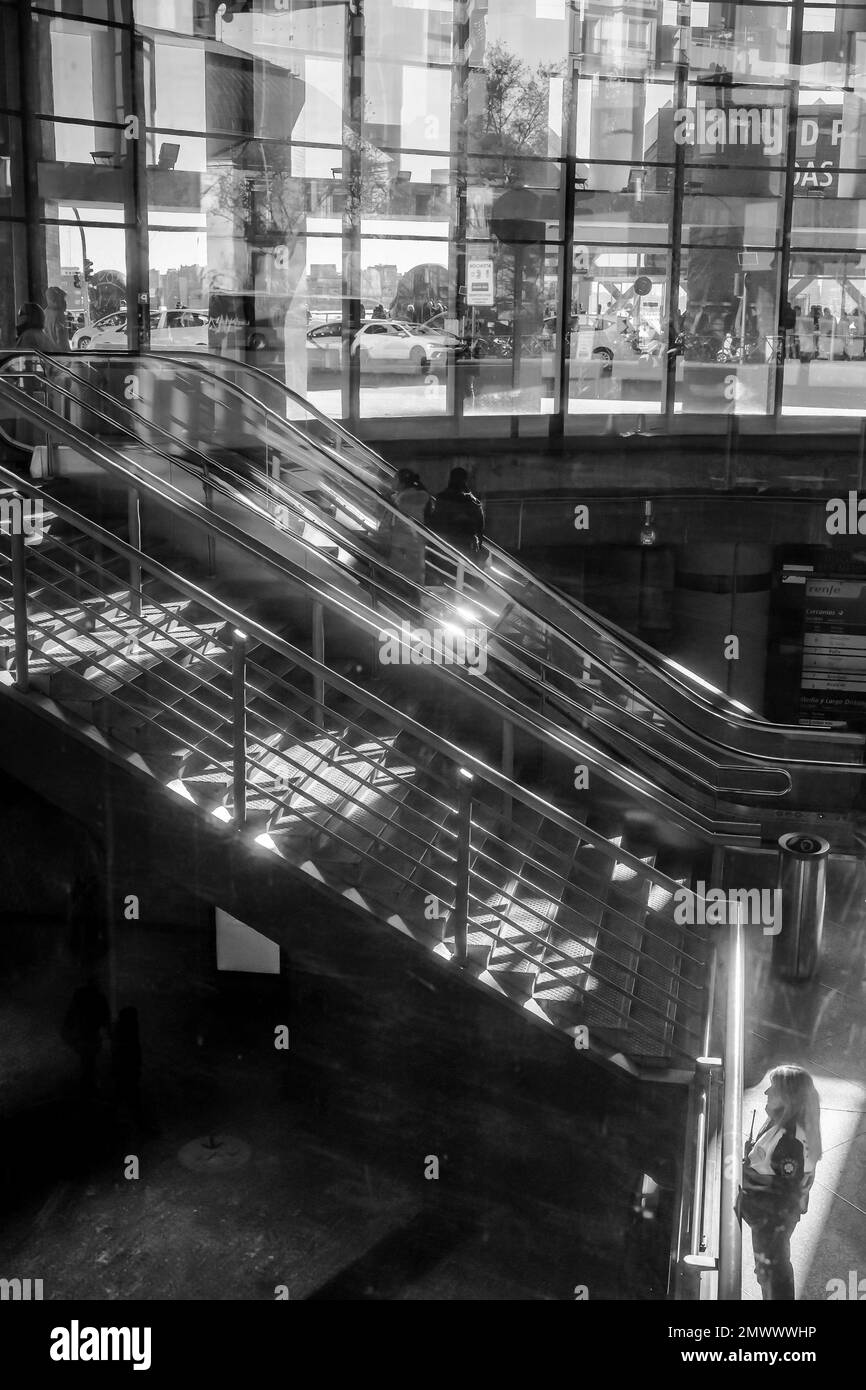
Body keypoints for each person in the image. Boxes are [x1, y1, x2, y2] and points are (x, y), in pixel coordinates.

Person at [738, 1065, 822, 1300]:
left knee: (773, 1273)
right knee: (767, 1270)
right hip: (767, 1219)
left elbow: (783, 1194)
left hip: (772, 1221)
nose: (766, 1093)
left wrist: (744, 1185)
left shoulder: (792, 1141)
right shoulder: (780, 1123)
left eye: (772, 1088)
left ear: (788, 1097)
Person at [377, 469, 430, 586]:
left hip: (402, 547)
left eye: (395, 478)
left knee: (403, 582)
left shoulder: (406, 500)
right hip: (407, 547)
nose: (392, 481)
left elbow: (402, 524)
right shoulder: (403, 498)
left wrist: (385, 537)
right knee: (409, 581)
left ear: (402, 482)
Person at [62, 977, 111, 1102]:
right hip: (90, 1036)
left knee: (86, 1061)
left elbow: (71, 1014)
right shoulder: (99, 998)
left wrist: (67, 1029)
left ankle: (87, 1089)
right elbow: (105, 1018)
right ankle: (90, 1089)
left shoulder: (80, 996)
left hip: (83, 1035)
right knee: (89, 1061)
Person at [425, 467, 485, 559]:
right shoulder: (471, 501)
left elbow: (436, 521)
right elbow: (479, 524)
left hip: (444, 544)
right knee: (462, 570)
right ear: (465, 480)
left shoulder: (442, 497)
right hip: (465, 545)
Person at [44, 286, 71, 351]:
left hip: (50, 354)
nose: (65, 302)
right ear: (55, 300)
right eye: (62, 299)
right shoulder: (58, 315)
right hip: (59, 356)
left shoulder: (44, 313)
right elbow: (61, 341)